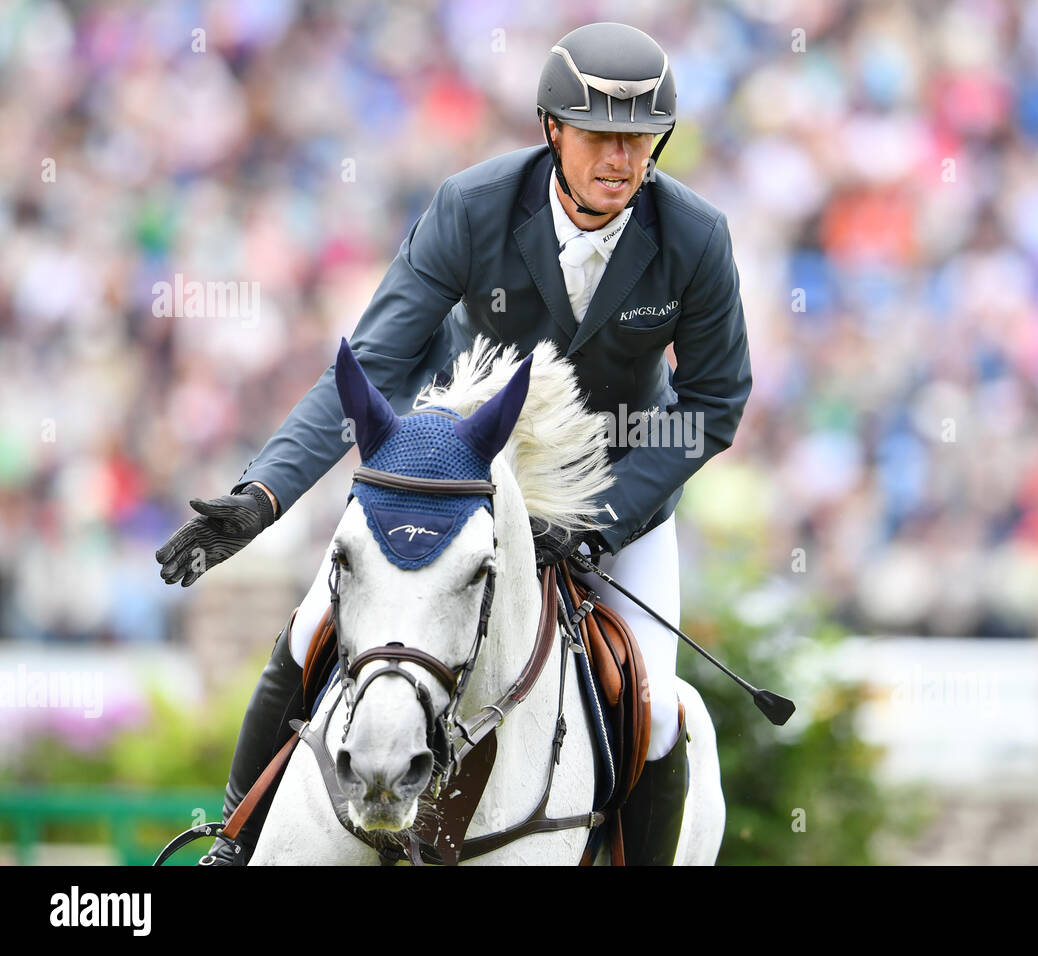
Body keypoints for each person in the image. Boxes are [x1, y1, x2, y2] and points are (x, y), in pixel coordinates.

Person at [156, 21, 751, 865]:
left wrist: (600, 522)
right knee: (310, 631)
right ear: (552, 129)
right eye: (598, 137)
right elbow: (371, 368)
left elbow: (715, 400)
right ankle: (235, 841)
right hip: (457, 477)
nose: (621, 160)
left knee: (654, 717)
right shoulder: (472, 207)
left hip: (616, 495)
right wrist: (263, 498)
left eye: (639, 139)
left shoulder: (695, 238)